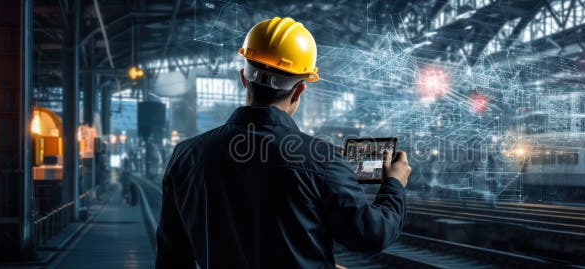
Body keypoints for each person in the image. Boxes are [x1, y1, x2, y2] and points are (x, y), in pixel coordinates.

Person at [155, 17, 411, 268]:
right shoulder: (322, 158)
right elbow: (371, 235)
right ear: (299, 90)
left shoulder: (186, 155)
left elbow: (172, 257)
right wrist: (394, 185)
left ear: (244, 78)